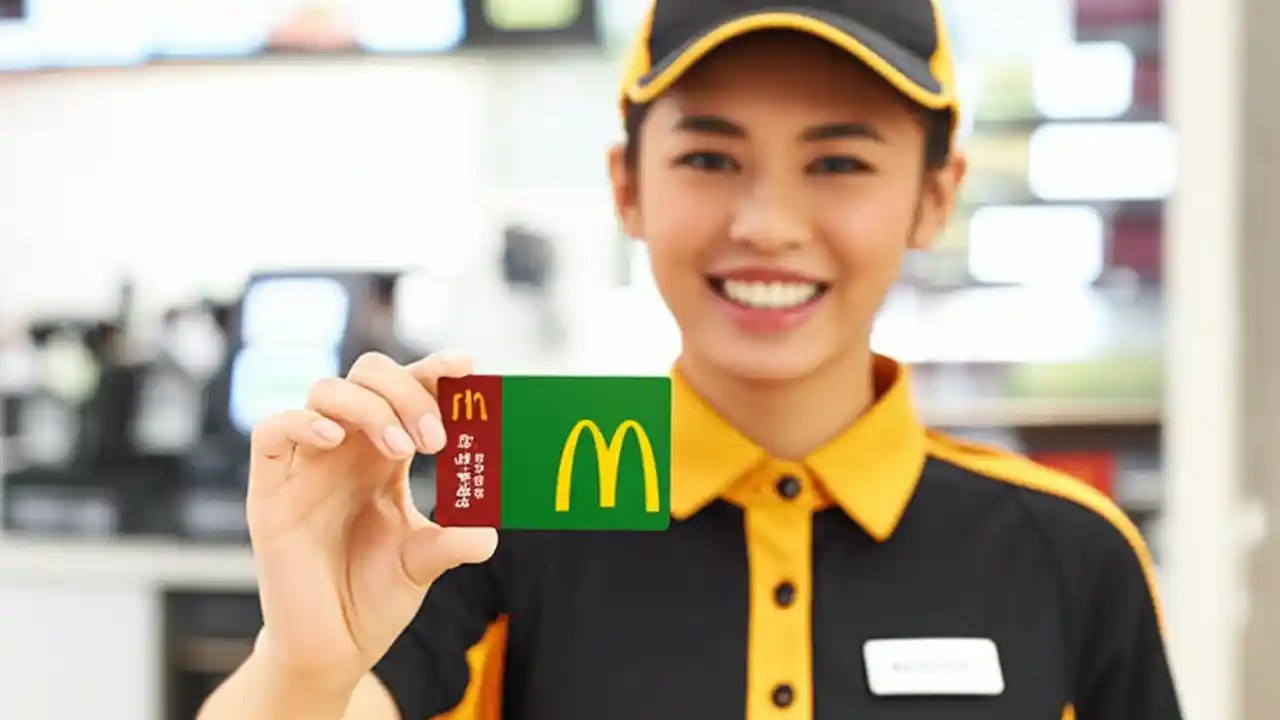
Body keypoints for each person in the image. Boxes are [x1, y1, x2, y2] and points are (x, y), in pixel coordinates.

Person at [198, 1, 1184, 718]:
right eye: (709, 159)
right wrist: (301, 668)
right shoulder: (514, 499)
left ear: (934, 194)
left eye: (837, 162)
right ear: (626, 186)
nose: (766, 225)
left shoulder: (1067, 550)